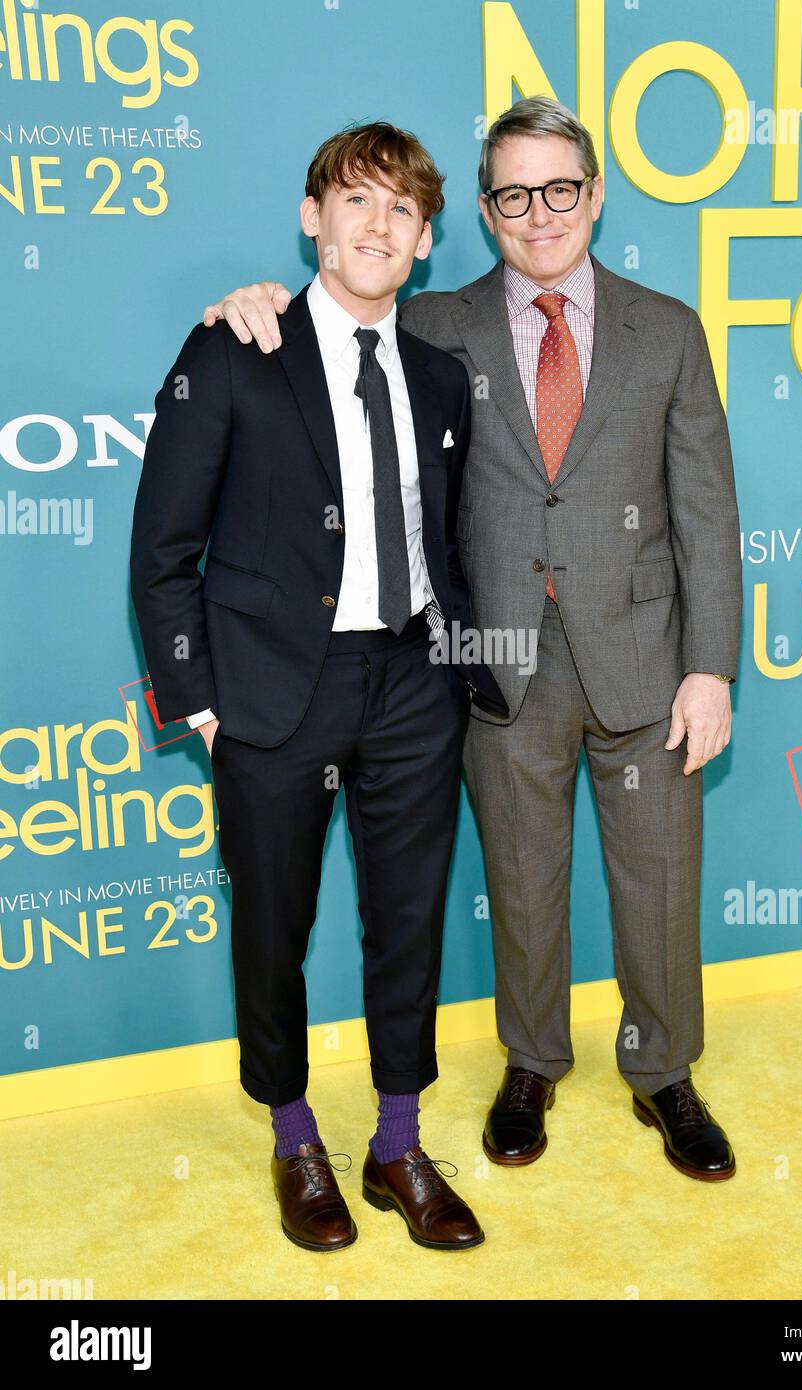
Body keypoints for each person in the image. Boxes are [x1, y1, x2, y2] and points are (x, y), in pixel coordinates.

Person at [200, 97, 744, 1183]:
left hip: (644, 657)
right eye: (511, 193)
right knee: (523, 878)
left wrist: (710, 667)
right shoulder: (434, 325)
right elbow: (327, 331)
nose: (537, 213)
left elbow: (708, 513)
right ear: (485, 212)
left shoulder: (668, 329)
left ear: (593, 195)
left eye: (558, 189)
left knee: (659, 878)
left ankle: (663, 1073)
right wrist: (249, 302)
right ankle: (532, 1062)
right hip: (490, 663)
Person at [130, 121, 508, 1254]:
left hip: (411, 683)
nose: (378, 225)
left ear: (426, 240)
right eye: (357, 202)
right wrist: (199, 702)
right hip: (270, 692)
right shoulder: (234, 348)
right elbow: (163, 550)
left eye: (402, 210)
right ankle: (296, 1134)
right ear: (313, 219)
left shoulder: (440, 376)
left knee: (407, 922)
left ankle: (398, 1140)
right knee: (274, 925)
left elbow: (445, 538)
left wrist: (454, 667)